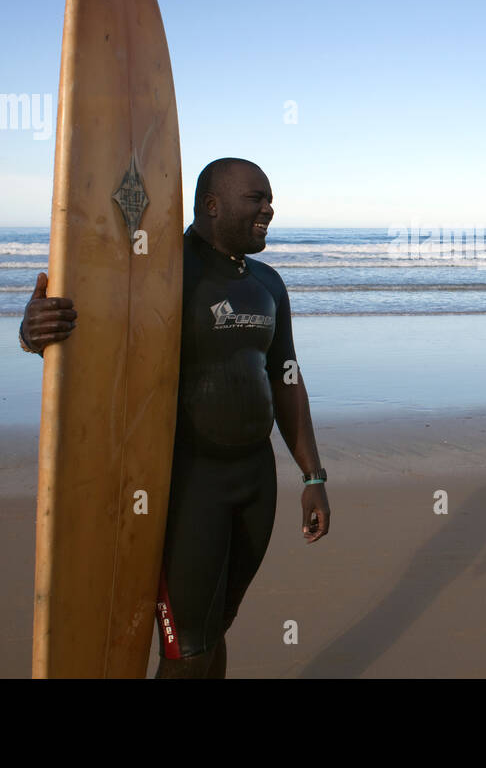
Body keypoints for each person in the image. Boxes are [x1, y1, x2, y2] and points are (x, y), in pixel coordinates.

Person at [20, 157, 330, 678]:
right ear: (211, 205)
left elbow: (287, 378)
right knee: (187, 649)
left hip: (255, 482)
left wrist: (313, 474)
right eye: (257, 198)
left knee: (214, 628)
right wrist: (32, 332)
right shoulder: (158, 271)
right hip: (187, 485)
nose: (269, 210)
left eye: (270, 199)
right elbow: (84, 331)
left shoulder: (269, 284)